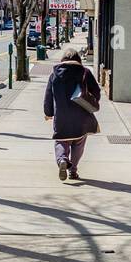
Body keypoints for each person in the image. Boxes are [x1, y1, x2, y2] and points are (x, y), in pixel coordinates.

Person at [43, 48, 101, 181]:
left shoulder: (54, 74)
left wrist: (48, 113)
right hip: (82, 117)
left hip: (62, 117)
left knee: (61, 141)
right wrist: (91, 101)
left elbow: (48, 96)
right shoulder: (85, 72)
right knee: (79, 143)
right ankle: (73, 171)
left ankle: (62, 160)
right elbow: (96, 92)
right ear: (78, 60)